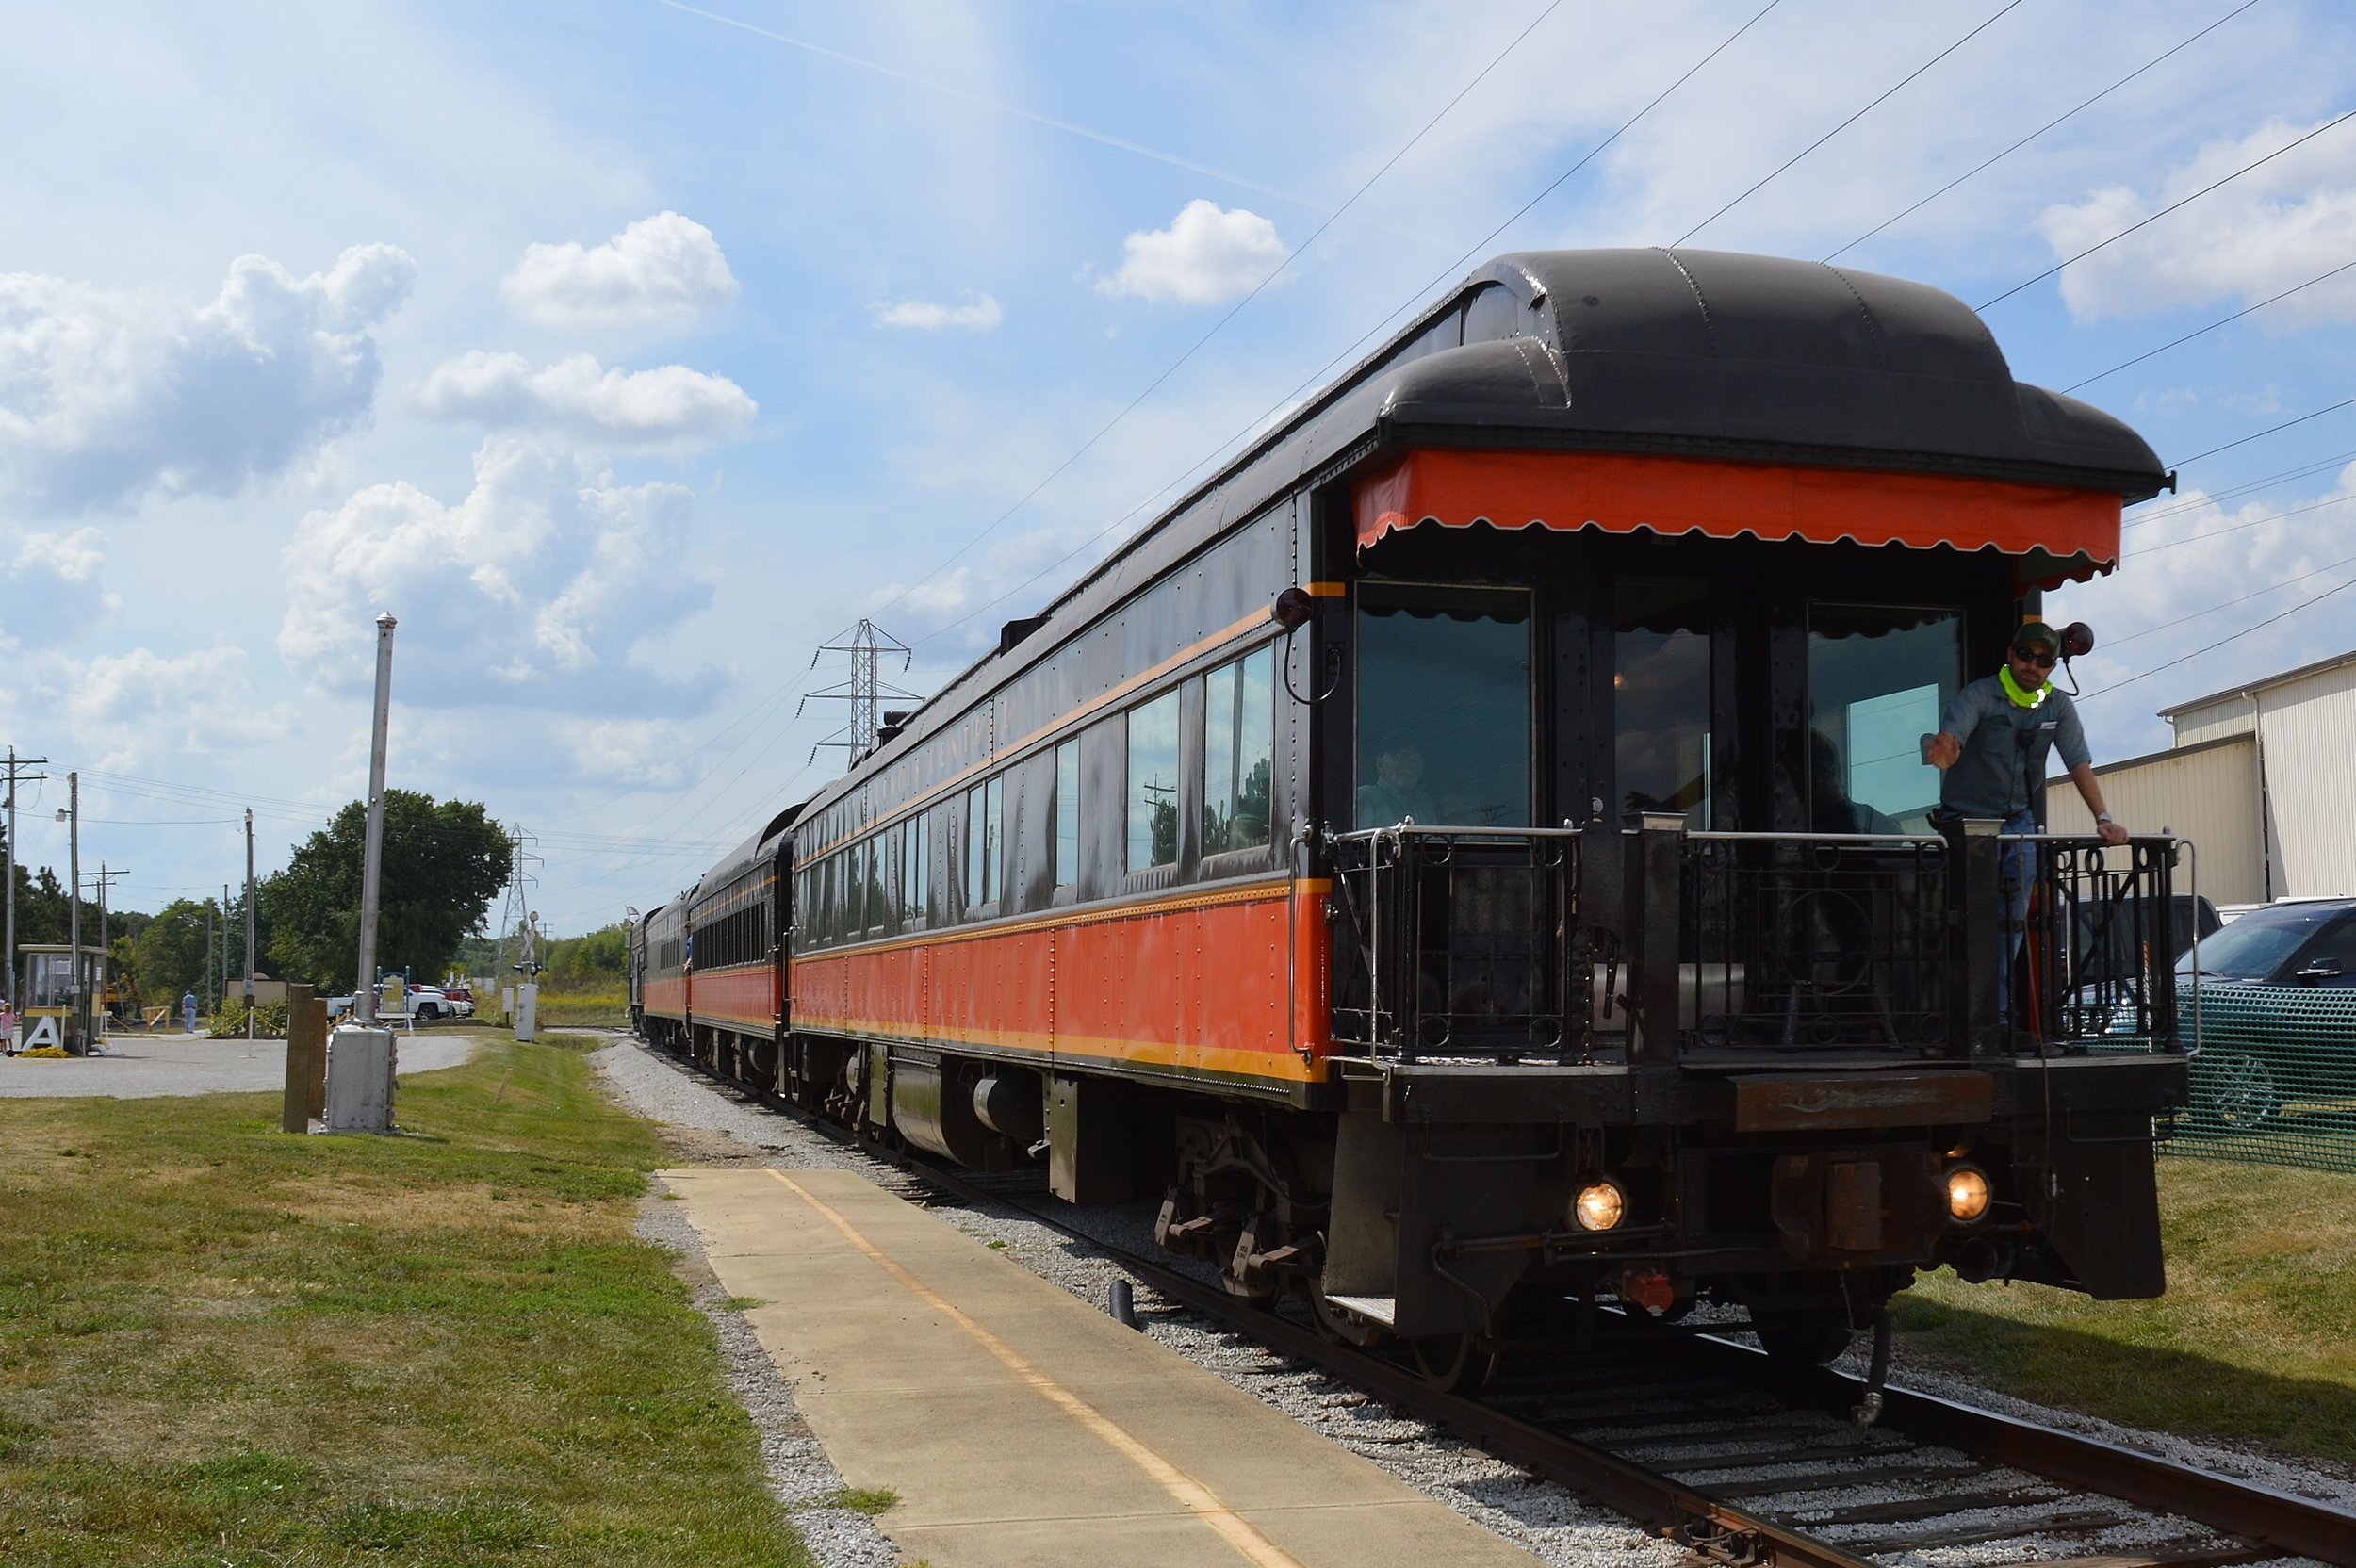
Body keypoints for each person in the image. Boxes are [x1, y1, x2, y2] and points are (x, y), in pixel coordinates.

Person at [1925, 620, 2128, 1023]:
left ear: (2052, 666)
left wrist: (2104, 818)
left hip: (2018, 822)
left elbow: (2078, 761)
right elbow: (1954, 734)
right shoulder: (1980, 694)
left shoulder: (2057, 706)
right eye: (2025, 656)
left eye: (2044, 660)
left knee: (2011, 923)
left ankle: (1995, 1016)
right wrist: (1945, 749)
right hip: (1966, 824)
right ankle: (1956, 1015)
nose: (2032, 666)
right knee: (1965, 919)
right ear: (2010, 653)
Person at [1355, 738, 1439, 827]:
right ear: (1379, 763)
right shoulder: (1365, 796)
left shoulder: (1424, 802)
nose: (1407, 765)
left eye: (1415, 759)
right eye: (1399, 756)